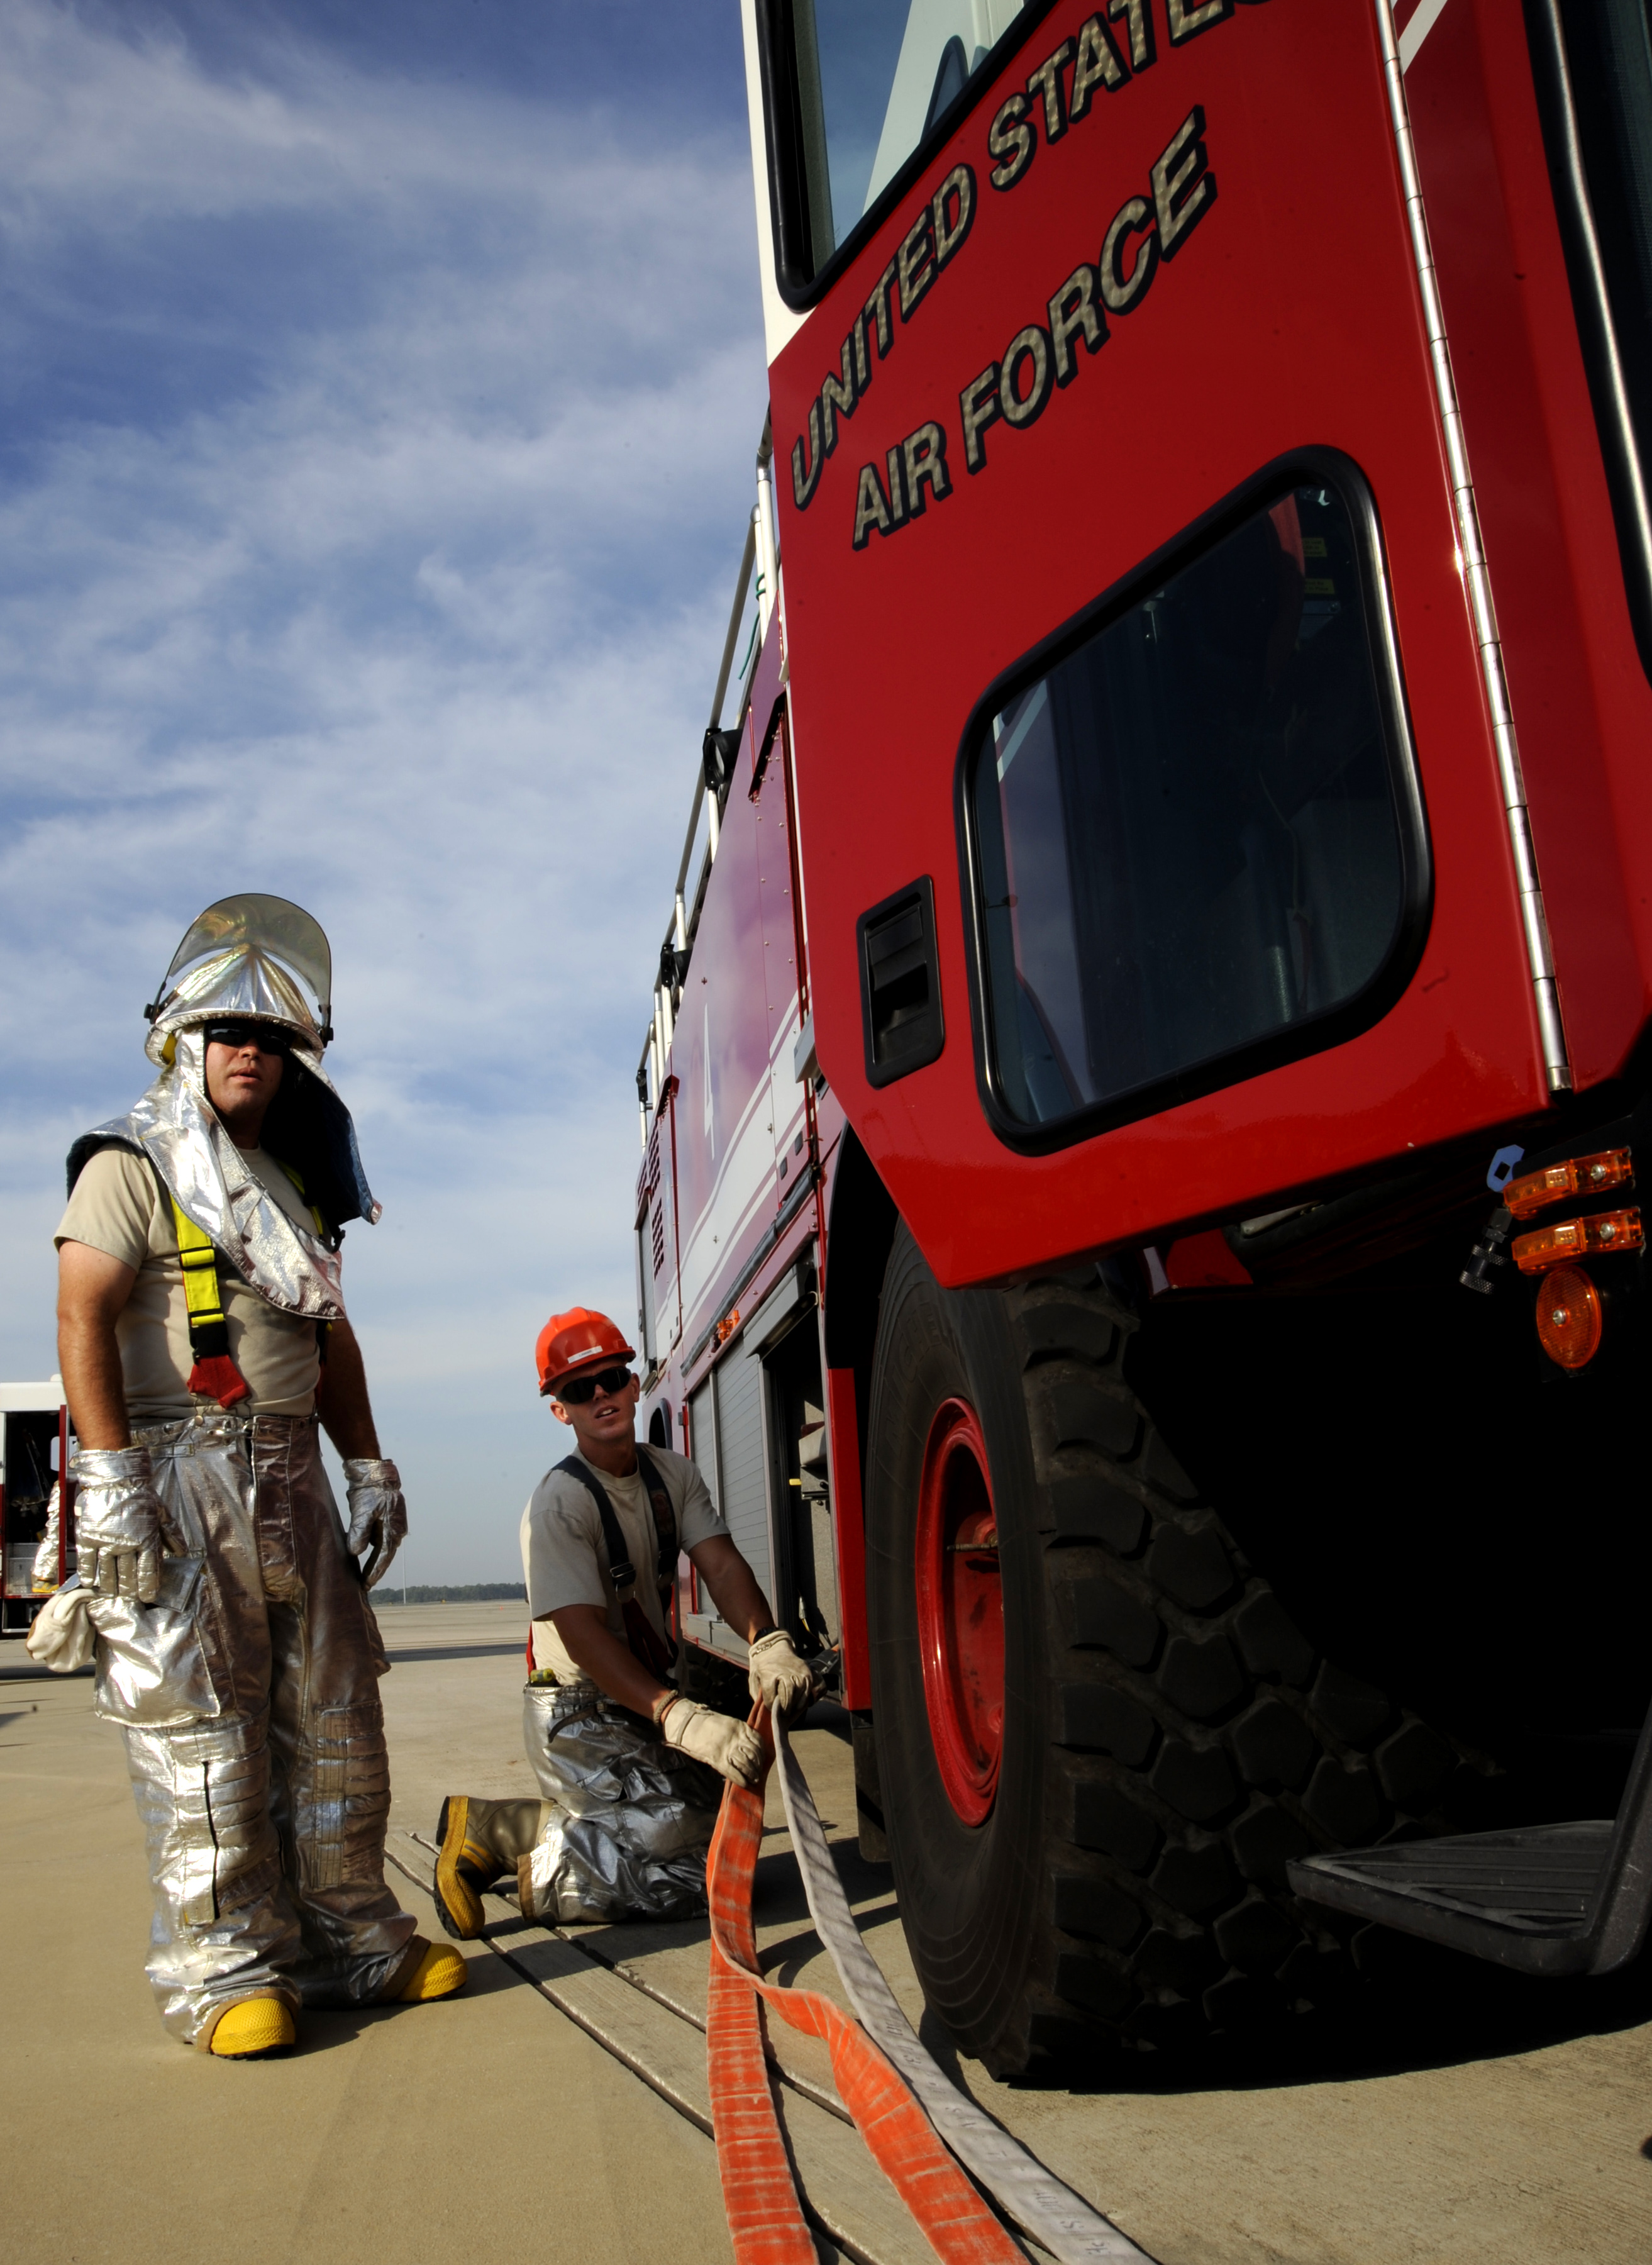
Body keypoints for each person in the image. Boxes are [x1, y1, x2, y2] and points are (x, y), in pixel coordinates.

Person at [38, 893, 465, 2056]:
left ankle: (352, 1941)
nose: (251, 1053)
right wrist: (110, 1481)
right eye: (229, 1032)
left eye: (273, 1039)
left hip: (290, 1475)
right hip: (179, 1475)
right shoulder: (132, 1161)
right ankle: (226, 1973)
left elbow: (330, 1338)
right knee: (203, 1735)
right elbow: (81, 1315)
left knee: (337, 1721)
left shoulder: (294, 1182)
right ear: (184, 1043)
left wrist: (365, 1464)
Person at [433, 1307, 818, 1934]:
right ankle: (503, 1833)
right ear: (560, 1411)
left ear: (634, 1384)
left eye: (610, 1378)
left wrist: (767, 1641)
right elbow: (582, 1637)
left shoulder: (673, 1476)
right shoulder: (558, 1506)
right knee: (698, 1872)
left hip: (641, 1693)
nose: (599, 1396)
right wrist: (679, 1716)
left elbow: (721, 1567)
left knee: (724, 1820)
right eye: (578, 1390)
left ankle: (571, 1829)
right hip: (577, 1709)